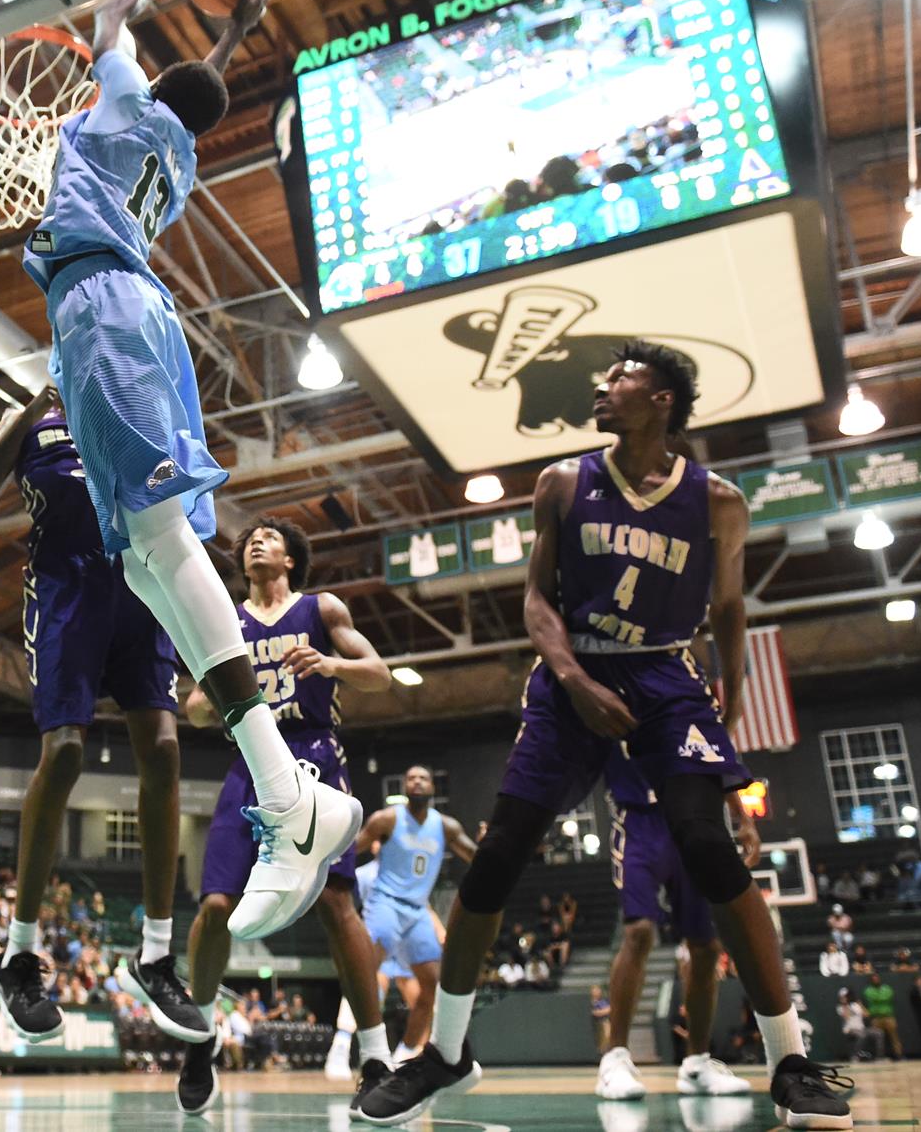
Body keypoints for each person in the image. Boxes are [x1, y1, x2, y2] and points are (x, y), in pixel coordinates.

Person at [358, 343, 850, 1129]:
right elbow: (536, 600)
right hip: (572, 673)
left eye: (620, 377)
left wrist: (732, 690)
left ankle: (789, 1060)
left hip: (665, 675)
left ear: (662, 400)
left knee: (707, 841)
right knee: (498, 851)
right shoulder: (562, 482)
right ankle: (446, 1052)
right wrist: (577, 680)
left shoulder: (718, 501)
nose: (602, 385)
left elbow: (728, 607)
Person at [23, 0, 358, 943]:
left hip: (102, 312)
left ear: (147, 88)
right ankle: (287, 786)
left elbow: (110, 32)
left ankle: (288, 795)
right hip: (126, 314)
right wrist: (236, 24)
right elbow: (178, 84)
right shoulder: (174, 147)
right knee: (140, 554)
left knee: (162, 541)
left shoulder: (135, 109)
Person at [0, 390, 206, 1047]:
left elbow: (175, 490)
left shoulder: (128, 401)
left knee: (164, 748)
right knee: (65, 749)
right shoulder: (26, 417)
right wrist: (20, 421)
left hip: (138, 581)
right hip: (64, 585)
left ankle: (156, 954)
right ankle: (18, 954)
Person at [179, 517, 398, 1115]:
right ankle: (200, 1039)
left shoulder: (321, 609)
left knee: (336, 903)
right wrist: (214, 698)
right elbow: (194, 706)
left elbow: (380, 675)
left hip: (313, 755)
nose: (256, 540)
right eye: (251, 537)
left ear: (291, 558)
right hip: (249, 760)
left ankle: (376, 1058)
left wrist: (331, 666)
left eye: (270, 536)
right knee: (215, 906)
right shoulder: (225, 617)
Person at [594, 749, 755, 1101]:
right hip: (636, 821)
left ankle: (697, 1063)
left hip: (688, 818)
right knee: (638, 931)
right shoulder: (606, 712)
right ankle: (614, 1058)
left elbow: (712, 746)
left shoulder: (684, 712)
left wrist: (740, 815)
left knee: (706, 947)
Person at [357, 765, 476, 1062]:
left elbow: (475, 857)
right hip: (386, 902)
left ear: (432, 787)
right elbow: (350, 850)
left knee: (431, 983)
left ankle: (405, 1054)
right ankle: (369, 1049)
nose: (417, 782)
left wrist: (488, 846)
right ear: (404, 787)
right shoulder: (387, 819)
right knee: (369, 974)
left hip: (419, 908)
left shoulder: (445, 826)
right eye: (411, 778)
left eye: (423, 778)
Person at [861, 972, 901, 1060]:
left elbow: (888, 996)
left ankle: (898, 1055)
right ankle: (879, 1056)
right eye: (874, 979)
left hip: (888, 1016)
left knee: (894, 1037)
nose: (876, 980)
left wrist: (878, 998)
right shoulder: (868, 990)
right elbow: (872, 997)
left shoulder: (887, 988)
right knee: (877, 1038)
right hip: (876, 1018)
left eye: (877, 978)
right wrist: (881, 998)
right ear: (871, 980)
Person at [590, 984, 612, 1052]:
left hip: (604, 1021)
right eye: (595, 990)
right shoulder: (590, 1002)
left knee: (607, 1034)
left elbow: (609, 1010)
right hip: (594, 1022)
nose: (597, 991)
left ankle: (603, 1050)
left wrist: (600, 1012)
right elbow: (592, 1012)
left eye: (598, 990)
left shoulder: (604, 1001)